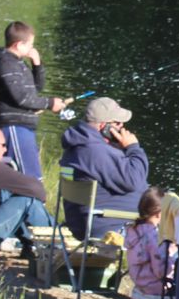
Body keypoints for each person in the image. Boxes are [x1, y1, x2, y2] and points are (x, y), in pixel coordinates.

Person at [60, 96, 150, 238]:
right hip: (110, 226)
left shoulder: (79, 145)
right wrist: (133, 148)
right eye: (118, 123)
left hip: (84, 222)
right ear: (104, 126)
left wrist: (117, 148)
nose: (122, 126)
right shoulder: (96, 151)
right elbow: (134, 180)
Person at [0, 20, 65, 178]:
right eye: (30, 45)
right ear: (18, 45)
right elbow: (22, 98)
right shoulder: (6, 63)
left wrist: (37, 65)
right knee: (31, 178)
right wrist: (50, 103)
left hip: (23, 127)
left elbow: (35, 89)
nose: (32, 48)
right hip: (14, 126)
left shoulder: (17, 63)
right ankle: (31, 202)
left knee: (19, 177)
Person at [124, 185, 174, 299]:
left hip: (139, 280)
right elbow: (161, 271)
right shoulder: (154, 237)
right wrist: (171, 254)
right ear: (160, 214)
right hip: (155, 285)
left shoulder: (134, 229)